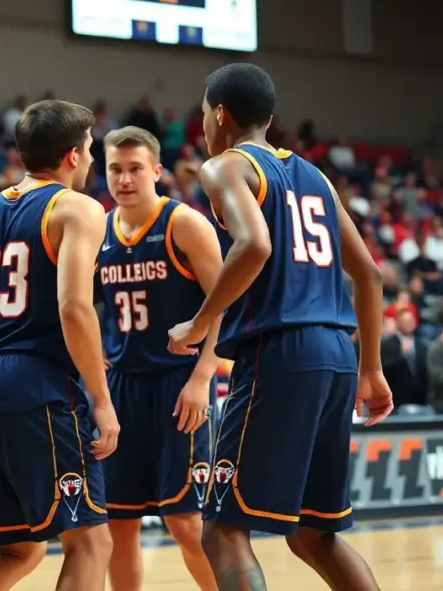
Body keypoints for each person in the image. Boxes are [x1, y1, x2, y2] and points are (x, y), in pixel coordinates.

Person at [167, 63, 391, 591]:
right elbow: (370, 274)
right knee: (315, 535)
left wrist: (200, 322)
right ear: (269, 118)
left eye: (205, 113)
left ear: (220, 115)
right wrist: (372, 369)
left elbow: (254, 245)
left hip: (281, 353)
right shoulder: (315, 176)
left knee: (223, 532)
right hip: (338, 355)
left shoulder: (225, 166)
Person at [0, 100, 118, 591]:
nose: (91, 159)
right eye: (90, 149)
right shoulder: (78, 207)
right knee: (90, 541)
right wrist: (102, 400)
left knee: (19, 547)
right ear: (72, 155)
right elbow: (75, 309)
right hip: (38, 386)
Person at [96, 127, 221, 591]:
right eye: (115, 169)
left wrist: (202, 379)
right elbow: (81, 305)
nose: (124, 179)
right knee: (118, 523)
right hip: (122, 388)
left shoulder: (183, 223)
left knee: (185, 522)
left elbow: (224, 304)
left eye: (135, 169)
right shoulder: (98, 229)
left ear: (156, 171)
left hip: (178, 385)